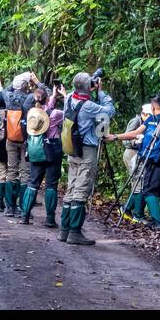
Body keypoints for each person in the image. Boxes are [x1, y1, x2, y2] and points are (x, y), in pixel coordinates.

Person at [59, 70, 114, 246]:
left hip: (72, 148)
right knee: (81, 189)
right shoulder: (89, 106)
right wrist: (101, 92)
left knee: (71, 187)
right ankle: (75, 232)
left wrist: (91, 88)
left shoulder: (68, 98)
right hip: (86, 150)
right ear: (89, 87)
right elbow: (109, 111)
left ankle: (64, 230)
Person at [106, 94, 160, 230]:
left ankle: (157, 222)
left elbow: (135, 133)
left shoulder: (152, 120)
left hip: (154, 161)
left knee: (149, 190)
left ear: (154, 108)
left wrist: (115, 137)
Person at [19, 85, 63, 227]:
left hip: (36, 149)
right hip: (52, 150)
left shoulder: (32, 113)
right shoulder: (55, 114)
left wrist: (54, 97)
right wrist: (64, 95)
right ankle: (50, 219)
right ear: (46, 98)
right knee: (51, 185)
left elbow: (45, 110)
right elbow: (70, 112)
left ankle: (24, 215)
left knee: (33, 182)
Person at [0, 71, 37, 217]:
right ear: (26, 85)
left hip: (11, 138)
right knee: (25, 173)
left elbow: (4, 90)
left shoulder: (8, 96)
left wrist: (17, 80)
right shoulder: (29, 98)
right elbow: (45, 92)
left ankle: (10, 208)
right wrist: (34, 81)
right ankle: (23, 208)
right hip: (25, 140)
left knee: (11, 171)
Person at [119, 102, 152, 222]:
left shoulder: (147, 123)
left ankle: (127, 208)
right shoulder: (136, 121)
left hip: (140, 154)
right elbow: (126, 139)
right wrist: (136, 141)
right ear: (144, 114)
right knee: (138, 183)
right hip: (131, 153)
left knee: (141, 183)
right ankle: (138, 214)